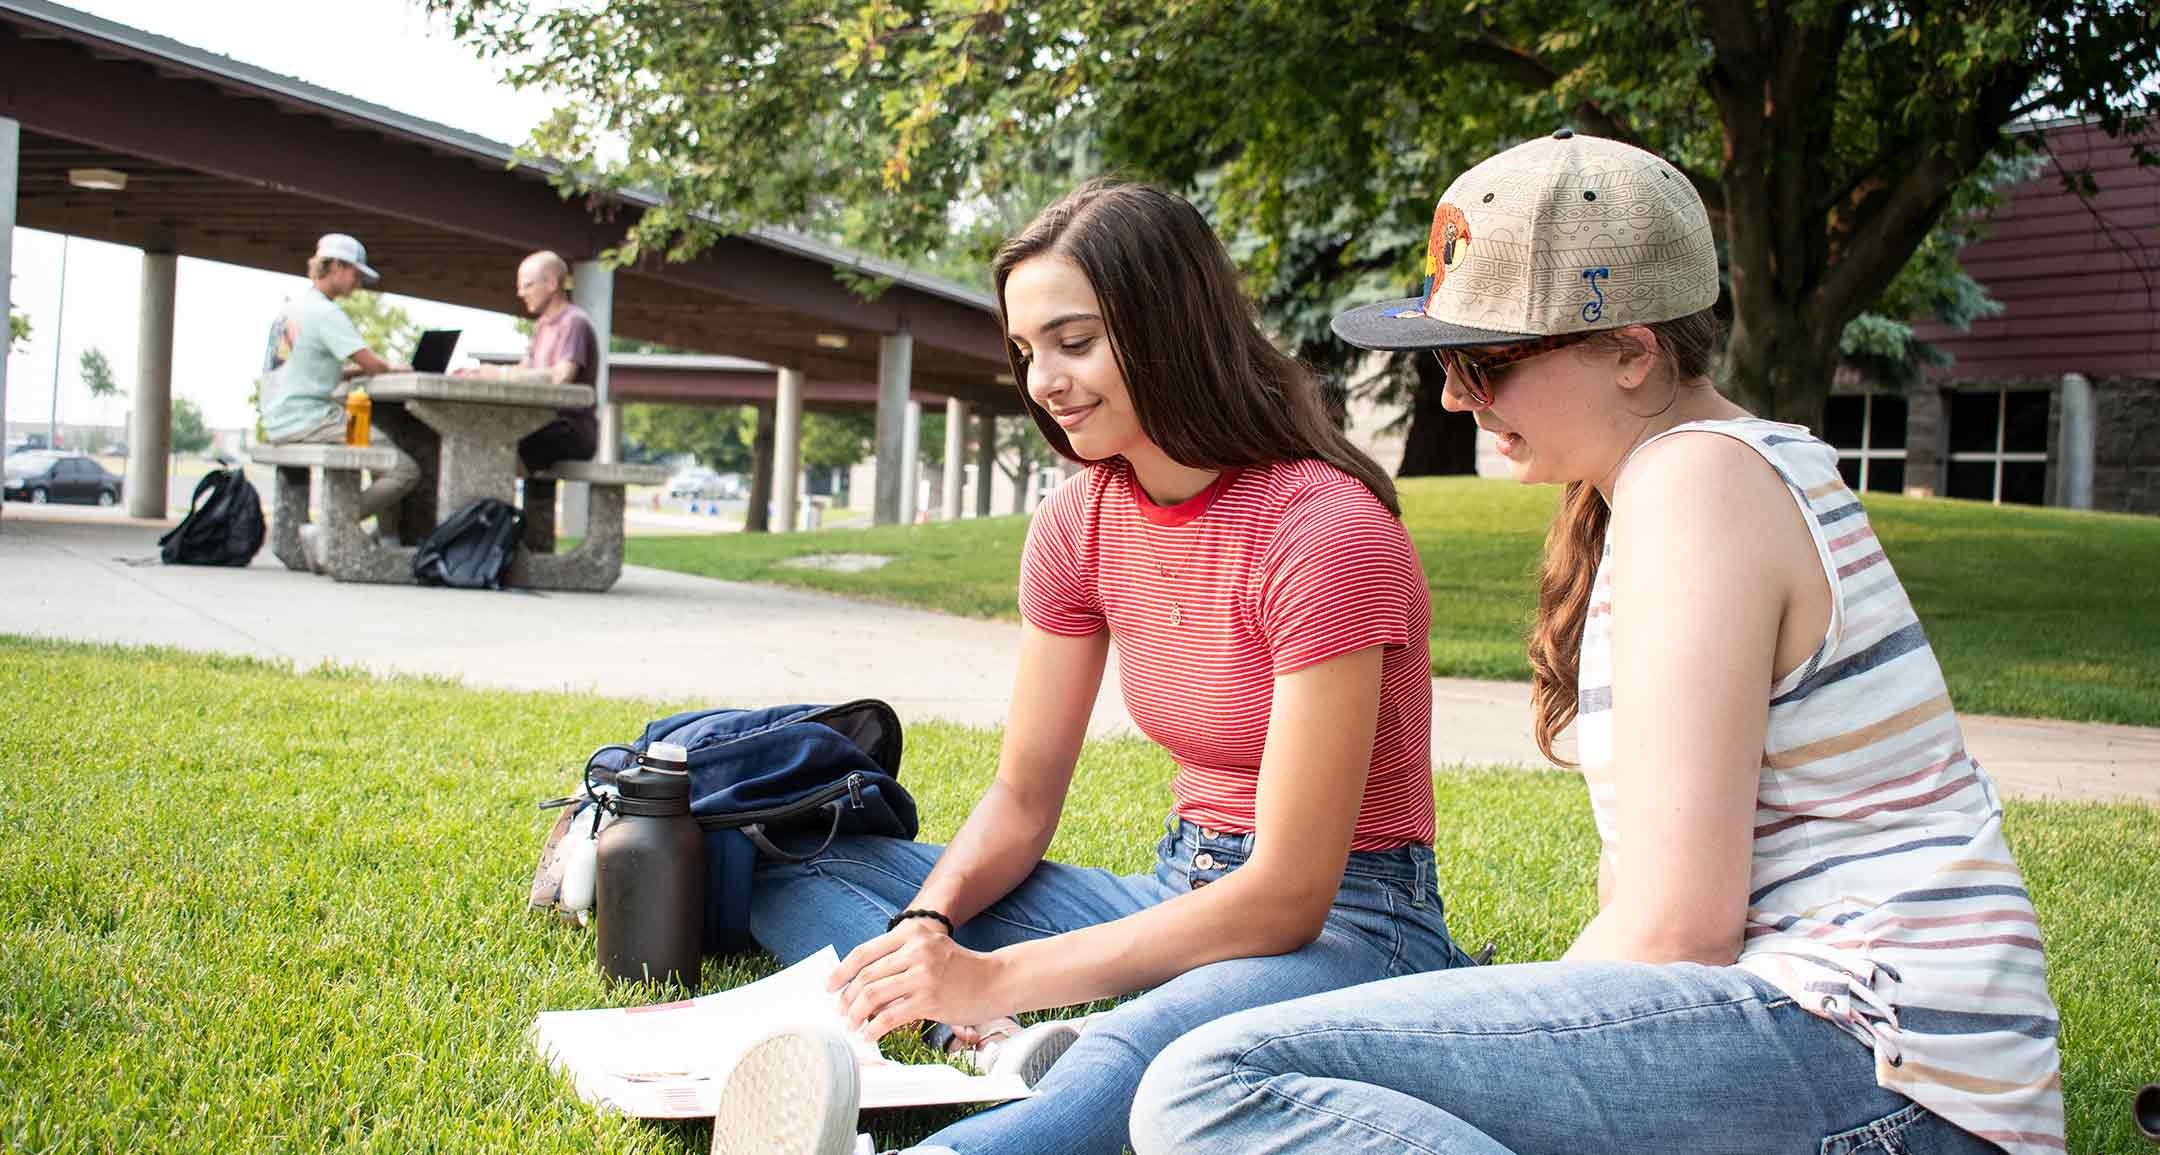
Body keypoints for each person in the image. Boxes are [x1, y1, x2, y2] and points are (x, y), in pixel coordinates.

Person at [1129, 131, 2063, 1154]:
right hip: (1851, 1054)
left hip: (1878, 1064)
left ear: (1632, 349)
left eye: (1483, 362)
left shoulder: (1697, 486)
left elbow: (1675, 932)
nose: (1453, 397)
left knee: (1214, 1082)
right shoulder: (1697, 480)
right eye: (1445, 361)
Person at [714, 180, 1478, 1155]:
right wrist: (930, 929)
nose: (1043, 382)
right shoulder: (1080, 523)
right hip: (1180, 885)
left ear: (1171, 329)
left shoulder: (1323, 528)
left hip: (1348, 927)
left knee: (1146, 1055)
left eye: (1074, 343)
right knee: (785, 858)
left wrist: (1000, 977)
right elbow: (1024, 796)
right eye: (1028, 351)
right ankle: (1005, 1028)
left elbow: (1289, 892)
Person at [260, 233, 419, 559]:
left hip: (280, 417)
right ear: (334, 266)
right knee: (404, 469)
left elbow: (305, 366)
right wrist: (392, 368)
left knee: (378, 446)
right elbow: (371, 363)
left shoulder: (291, 310)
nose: (358, 283)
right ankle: (332, 526)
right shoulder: (326, 313)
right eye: (355, 274)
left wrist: (356, 371)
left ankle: (386, 538)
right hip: (309, 419)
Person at [505, 250, 600, 473]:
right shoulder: (541, 326)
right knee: (493, 434)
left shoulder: (573, 322)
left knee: (502, 446)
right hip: (542, 422)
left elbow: (562, 376)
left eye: (527, 285)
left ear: (551, 283)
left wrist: (502, 376)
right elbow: (524, 370)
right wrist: (485, 374)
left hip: (570, 429)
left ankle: (497, 507)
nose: (520, 293)